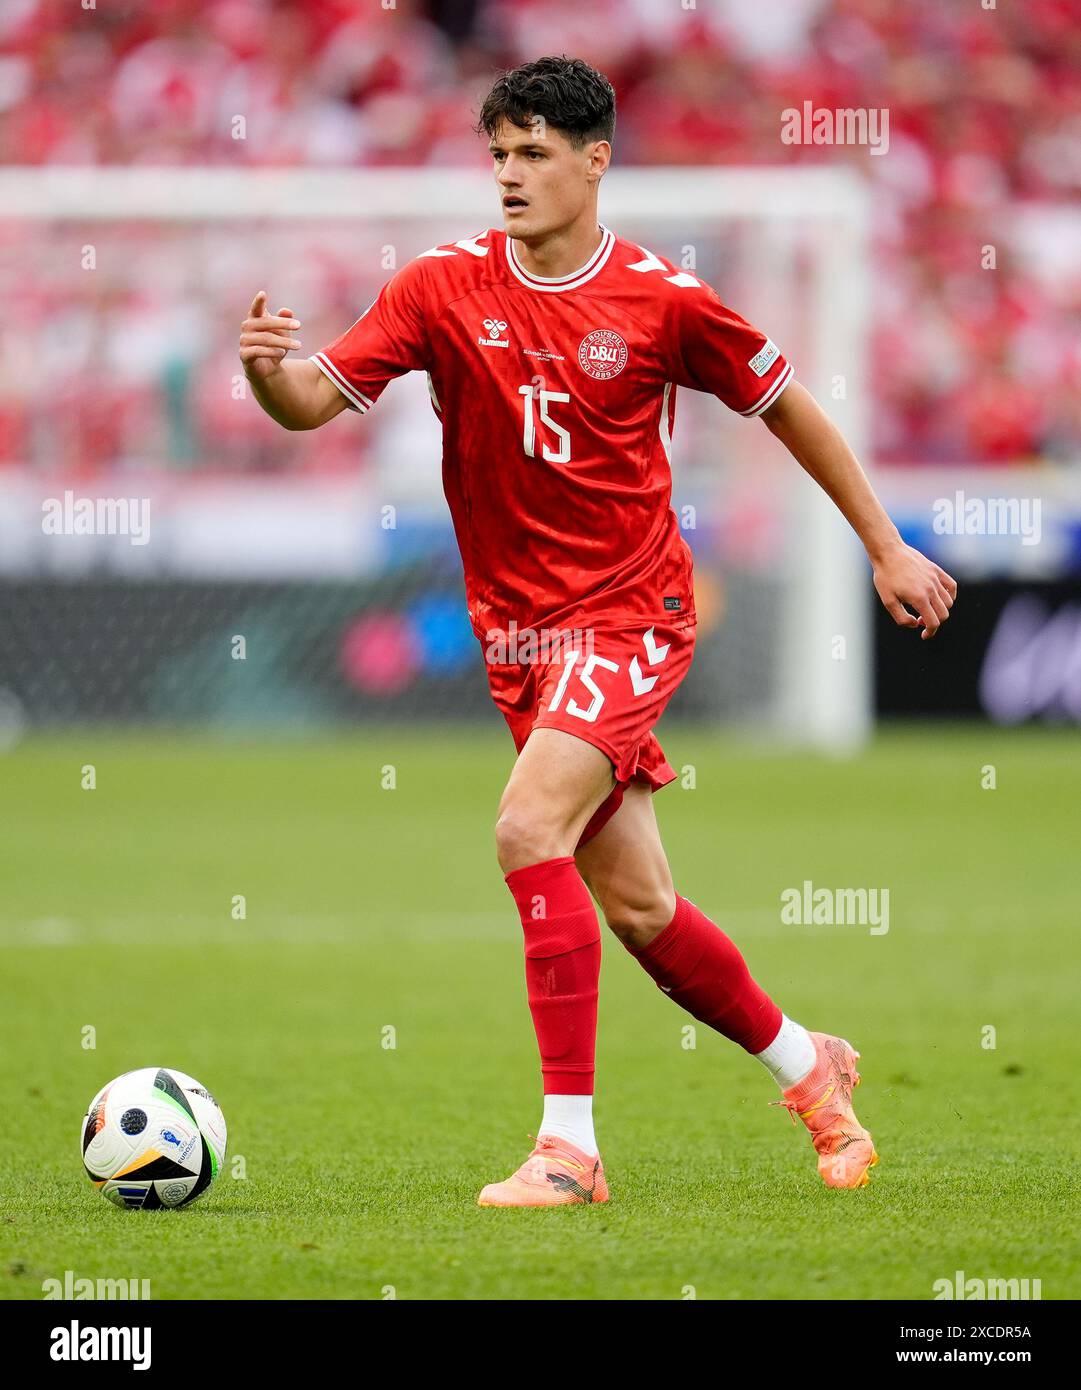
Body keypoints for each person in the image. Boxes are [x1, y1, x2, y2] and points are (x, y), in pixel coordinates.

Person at [239, 55, 956, 1206]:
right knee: (637, 907)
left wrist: (883, 543)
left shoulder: (664, 301)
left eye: (533, 153)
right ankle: (809, 1070)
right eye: (499, 155)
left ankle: (568, 1149)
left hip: (630, 610)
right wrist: (268, 374)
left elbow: (788, 406)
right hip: (516, 635)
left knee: (527, 830)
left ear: (593, 160)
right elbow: (312, 401)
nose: (511, 176)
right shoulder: (437, 287)